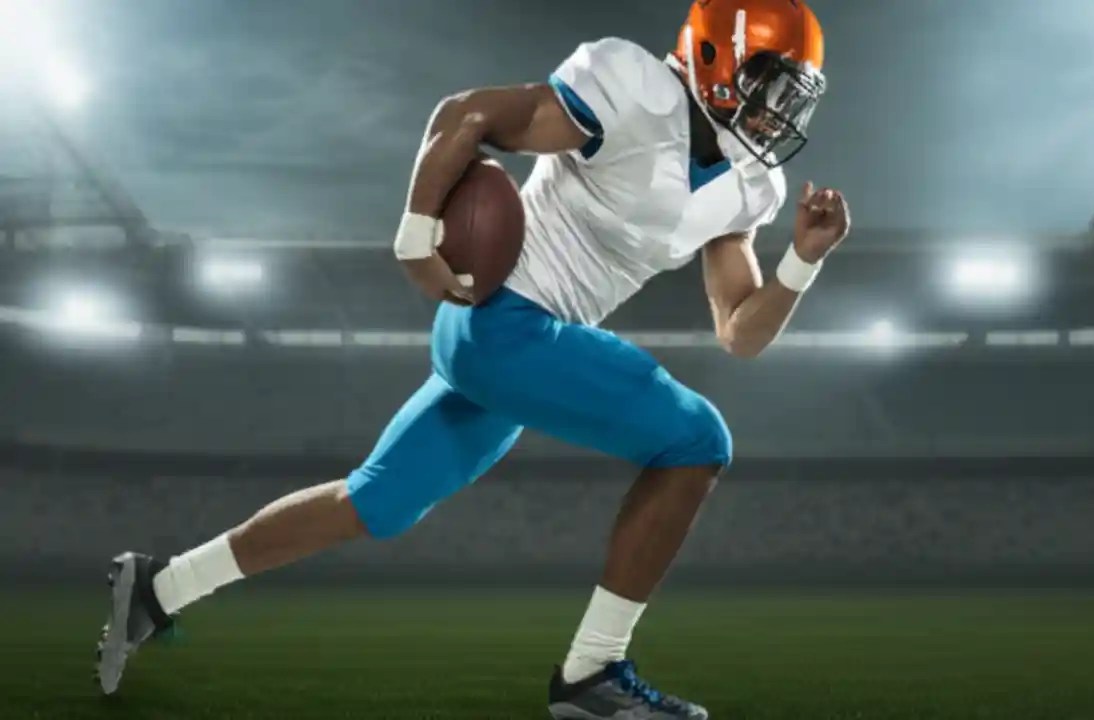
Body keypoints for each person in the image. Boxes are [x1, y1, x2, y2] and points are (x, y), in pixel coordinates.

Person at [95, 1, 849, 717]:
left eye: (792, 97)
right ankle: (592, 671)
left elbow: (742, 332)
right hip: (503, 325)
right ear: (717, 58)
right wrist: (416, 234)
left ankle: (158, 588)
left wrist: (804, 263)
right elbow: (470, 115)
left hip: (519, 355)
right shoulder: (633, 88)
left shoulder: (753, 186)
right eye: (767, 85)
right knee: (698, 439)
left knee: (375, 503)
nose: (776, 113)